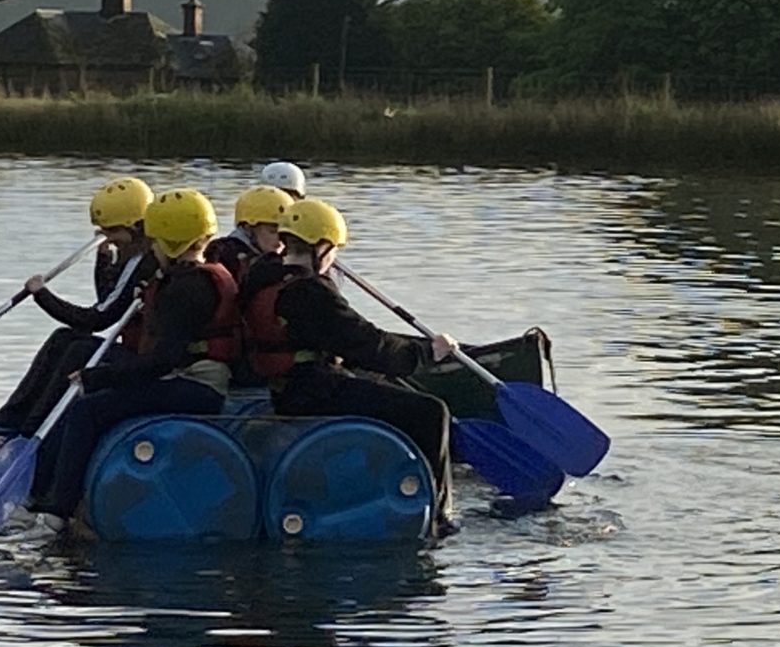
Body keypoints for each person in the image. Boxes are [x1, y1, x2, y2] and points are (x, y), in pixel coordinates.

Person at [241, 198, 459, 536]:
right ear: (321, 247)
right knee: (432, 412)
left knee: (388, 390)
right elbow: (369, 345)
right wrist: (426, 354)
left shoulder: (262, 277)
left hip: (290, 387)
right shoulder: (310, 291)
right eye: (333, 250)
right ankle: (438, 517)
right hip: (314, 393)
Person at [28, 187, 237, 527]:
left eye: (156, 240)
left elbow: (161, 362)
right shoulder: (185, 279)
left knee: (87, 410)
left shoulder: (185, 289)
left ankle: (57, 510)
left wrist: (96, 377)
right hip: (187, 379)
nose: (152, 246)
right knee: (92, 399)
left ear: (168, 242)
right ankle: (53, 490)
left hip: (197, 387)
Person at [0, 176, 158, 445]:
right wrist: (103, 260)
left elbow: (98, 318)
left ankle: (28, 430)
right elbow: (109, 300)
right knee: (64, 337)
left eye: (112, 232)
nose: (108, 238)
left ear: (135, 227)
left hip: (147, 362)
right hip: (136, 351)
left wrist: (42, 295)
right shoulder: (135, 254)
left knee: (79, 350)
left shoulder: (144, 261)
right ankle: (9, 419)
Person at [203, 184, 295, 285]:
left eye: (285, 234)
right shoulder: (229, 260)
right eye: (272, 232)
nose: (280, 242)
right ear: (248, 228)